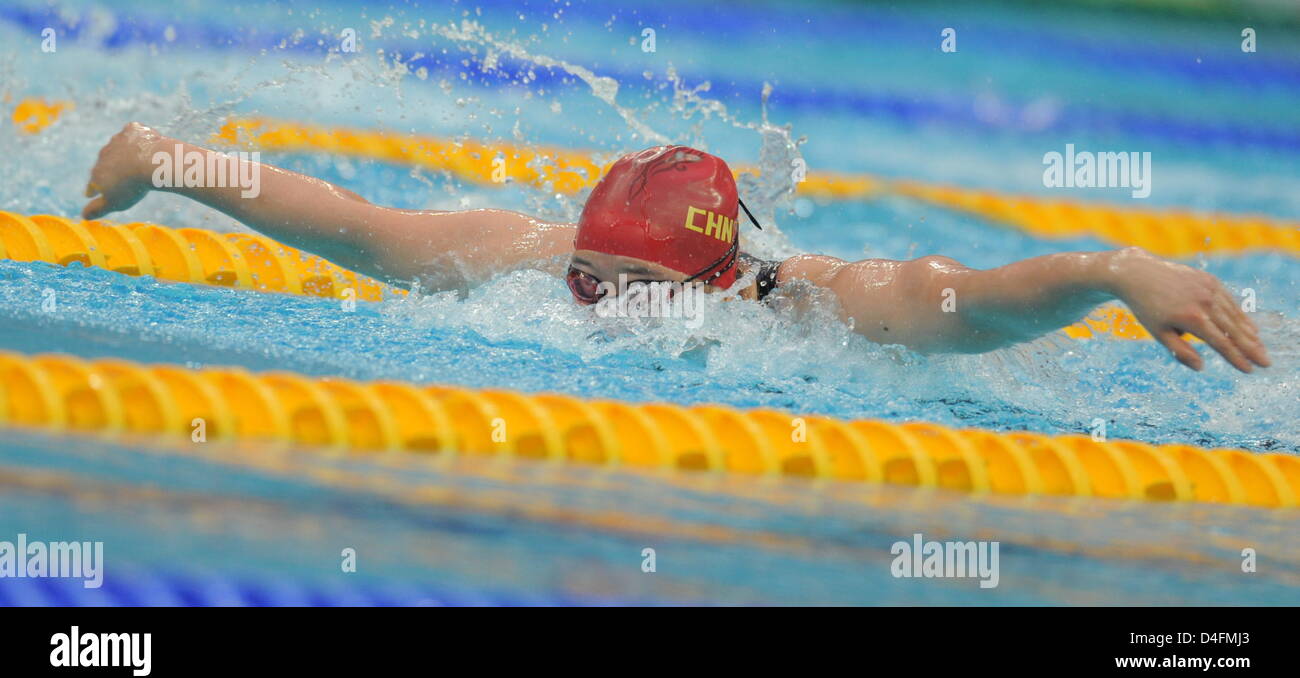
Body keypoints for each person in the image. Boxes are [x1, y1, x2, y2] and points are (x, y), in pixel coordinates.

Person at [82, 123, 1269, 373]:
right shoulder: (533, 255)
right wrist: (166, 161)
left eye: (634, 288)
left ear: (721, 279)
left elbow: (978, 299)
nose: (600, 306)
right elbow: (349, 222)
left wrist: (1116, 268)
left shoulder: (812, 305)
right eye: (592, 281)